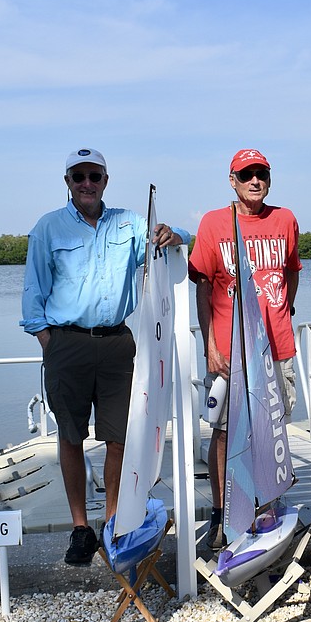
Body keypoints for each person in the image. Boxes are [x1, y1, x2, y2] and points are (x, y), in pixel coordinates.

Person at [20, 148, 189, 565]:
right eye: (78, 176)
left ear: (106, 180)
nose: (87, 183)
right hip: (66, 343)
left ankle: (113, 521)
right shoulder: (48, 228)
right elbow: (32, 293)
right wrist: (50, 341)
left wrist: (173, 234)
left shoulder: (129, 223)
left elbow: (181, 236)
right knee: (70, 436)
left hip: (117, 342)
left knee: (119, 436)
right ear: (67, 182)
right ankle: (81, 528)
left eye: (94, 176)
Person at [189, 149, 302, 549]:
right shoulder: (213, 223)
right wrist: (210, 346)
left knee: (272, 430)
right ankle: (223, 514)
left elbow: (290, 273)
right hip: (230, 354)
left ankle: (268, 506)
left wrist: (281, 315)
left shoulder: (285, 219)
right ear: (232, 180)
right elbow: (202, 286)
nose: (255, 180)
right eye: (246, 174)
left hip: (276, 348)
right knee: (224, 434)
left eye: (262, 174)